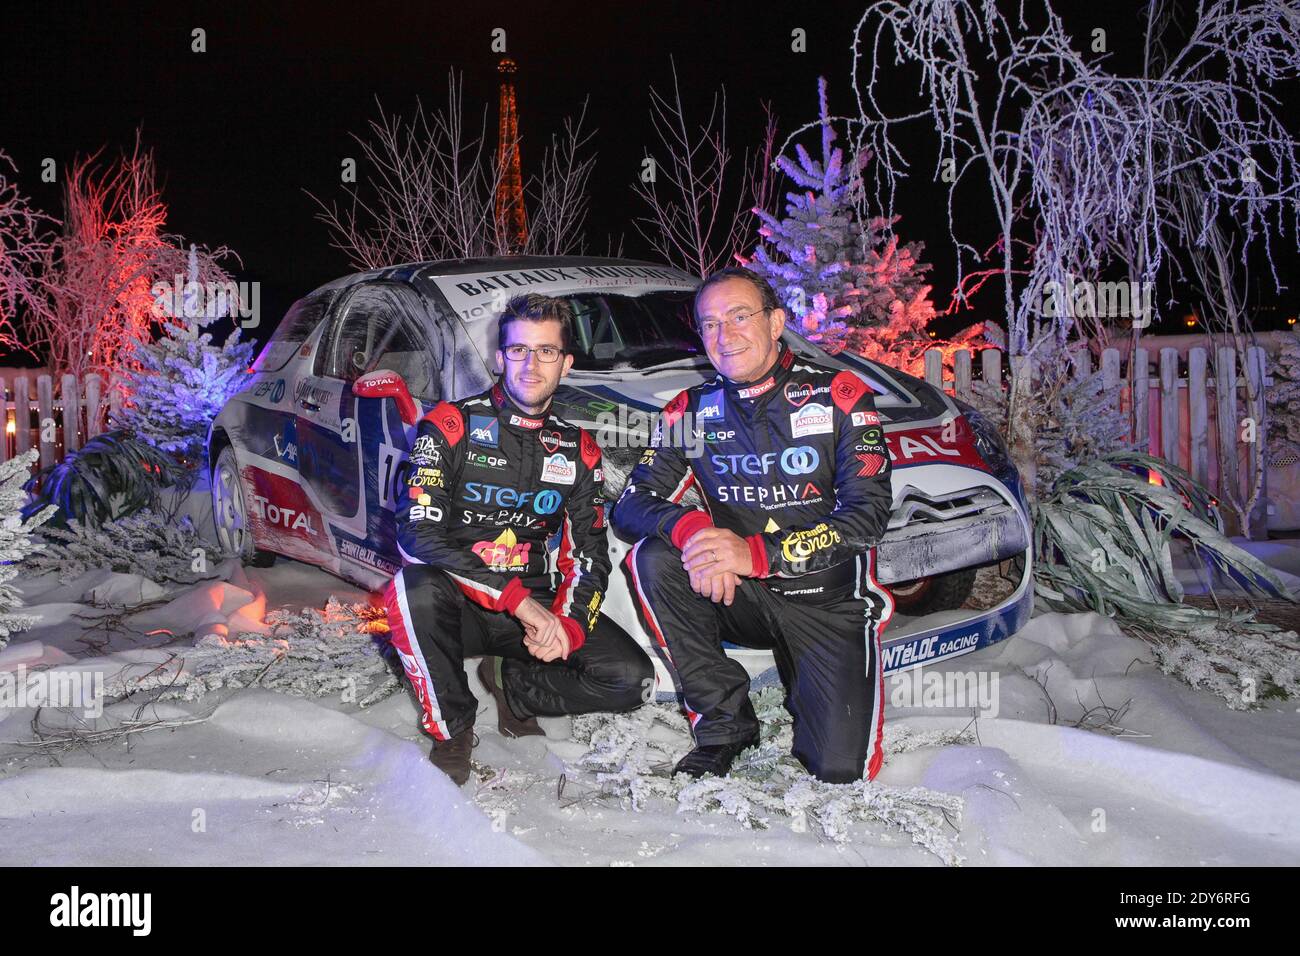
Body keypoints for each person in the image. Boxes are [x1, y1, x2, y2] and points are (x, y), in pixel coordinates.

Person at [610, 266, 894, 783]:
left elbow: (866, 518)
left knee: (835, 769)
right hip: (741, 597)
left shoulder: (839, 396)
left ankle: (807, 674)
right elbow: (631, 506)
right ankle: (724, 724)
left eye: (739, 316)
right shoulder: (691, 412)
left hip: (824, 601)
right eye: (710, 323)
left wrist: (757, 554)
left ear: (776, 322)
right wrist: (692, 528)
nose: (724, 335)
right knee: (655, 557)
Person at [384, 293, 653, 786]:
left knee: (629, 679)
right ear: (499, 355)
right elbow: (418, 536)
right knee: (410, 590)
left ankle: (516, 687)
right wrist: (518, 603)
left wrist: (567, 627)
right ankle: (454, 727)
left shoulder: (577, 448)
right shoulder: (449, 425)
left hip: (530, 605)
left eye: (546, 351)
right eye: (518, 350)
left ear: (566, 362)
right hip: (458, 603)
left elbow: (589, 555)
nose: (531, 364)